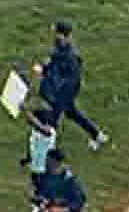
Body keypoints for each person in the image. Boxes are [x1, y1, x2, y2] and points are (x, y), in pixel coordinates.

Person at [33, 20, 107, 151]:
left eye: (57, 33)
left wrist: (57, 94)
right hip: (57, 93)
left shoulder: (71, 57)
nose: (55, 35)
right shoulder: (60, 47)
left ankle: (48, 151)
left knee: (50, 122)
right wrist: (44, 68)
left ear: (64, 35)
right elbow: (53, 64)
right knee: (73, 114)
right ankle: (97, 135)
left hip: (61, 95)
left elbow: (69, 80)